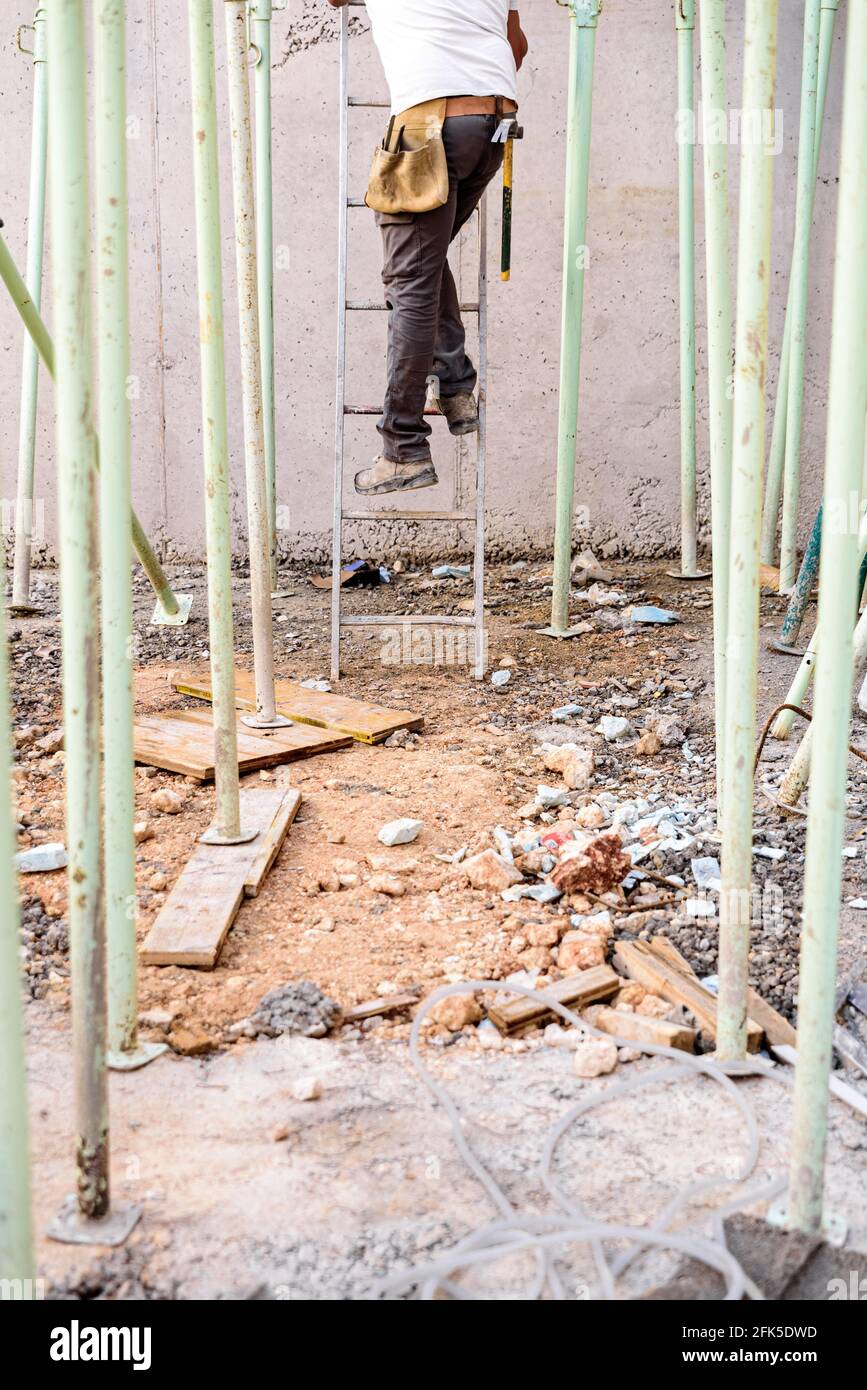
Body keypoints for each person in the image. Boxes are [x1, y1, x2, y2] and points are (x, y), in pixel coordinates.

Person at [327, 0, 528, 494]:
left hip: (429, 126)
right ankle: (456, 384)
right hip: (492, 124)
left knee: (410, 285)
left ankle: (403, 445)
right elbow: (516, 45)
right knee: (423, 262)